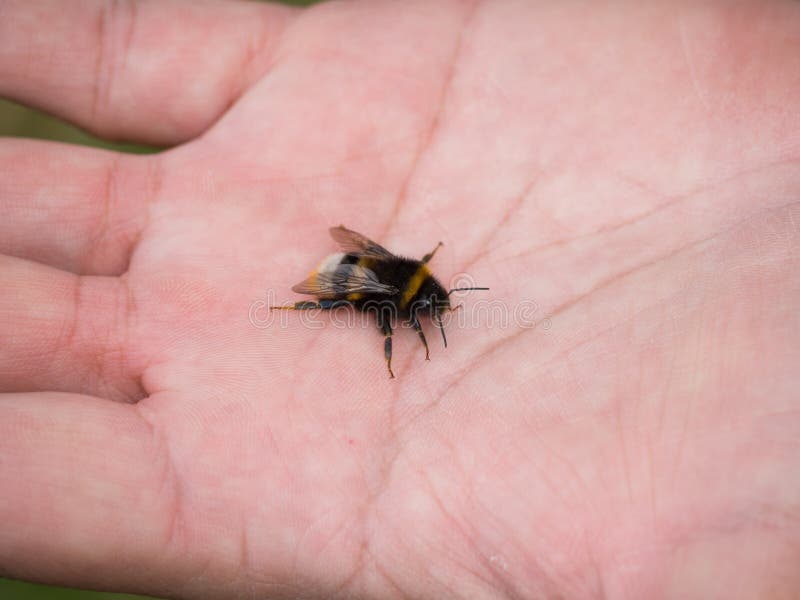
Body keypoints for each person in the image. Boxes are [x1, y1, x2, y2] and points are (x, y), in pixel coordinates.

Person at [1, 0, 799, 598]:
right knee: (349, 301)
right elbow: (371, 274)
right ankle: (291, 310)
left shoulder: (419, 280)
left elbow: (399, 267)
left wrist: (425, 285)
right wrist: (351, 308)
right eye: (432, 306)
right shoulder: (394, 292)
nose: (432, 311)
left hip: (363, 260)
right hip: (340, 273)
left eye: (432, 302)